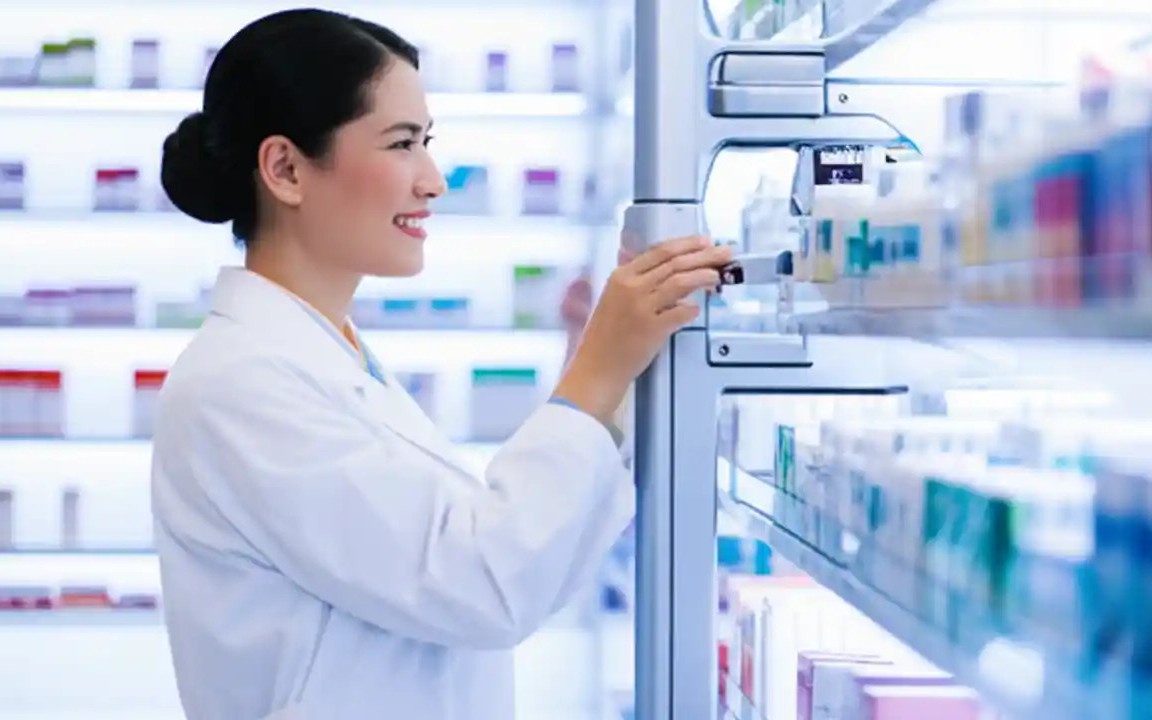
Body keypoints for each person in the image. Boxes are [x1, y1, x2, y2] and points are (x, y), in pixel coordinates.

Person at [150, 8, 732, 720]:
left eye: (426, 143)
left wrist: (613, 375)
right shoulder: (239, 385)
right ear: (286, 169)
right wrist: (598, 370)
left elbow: (511, 571)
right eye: (401, 144)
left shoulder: (327, 359)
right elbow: (482, 582)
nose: (433, 181)